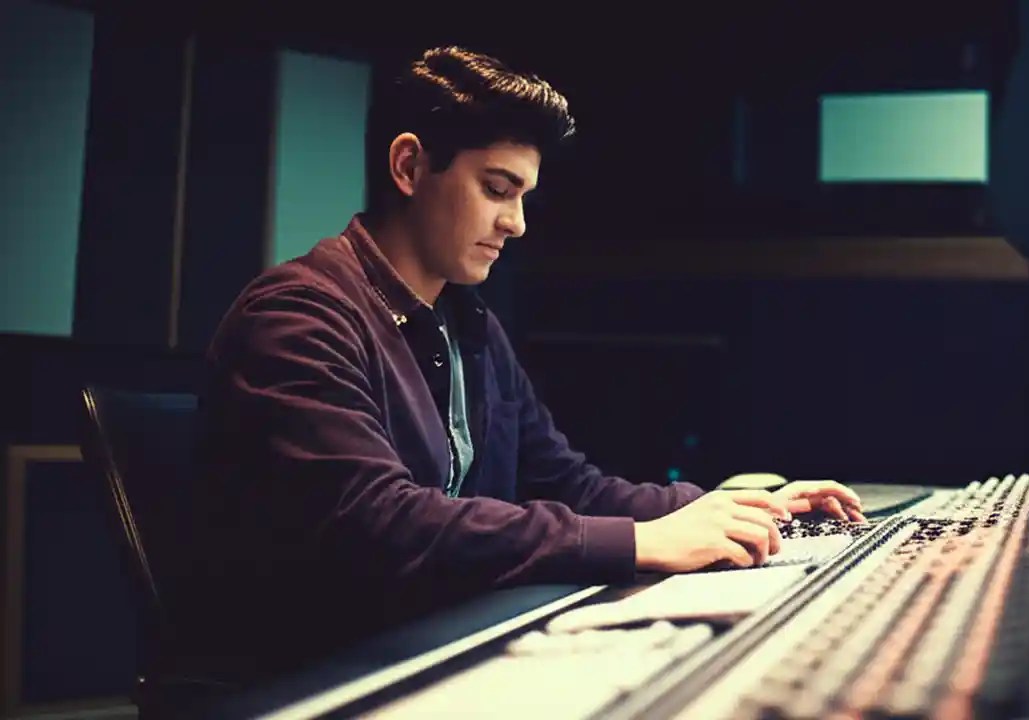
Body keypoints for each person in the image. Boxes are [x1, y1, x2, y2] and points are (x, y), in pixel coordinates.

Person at [192, 45, 863, 677]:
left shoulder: (467, 320)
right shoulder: (295, 317)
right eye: (496, 188)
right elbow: (382, 524)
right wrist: (637, 544)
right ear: (408, 167)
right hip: (324, 675)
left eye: (523, 196)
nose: (516, 222)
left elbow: (570, 485)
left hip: (438, 641)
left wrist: (731, 510)